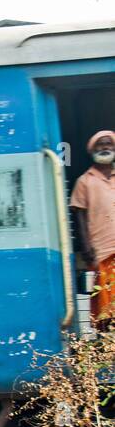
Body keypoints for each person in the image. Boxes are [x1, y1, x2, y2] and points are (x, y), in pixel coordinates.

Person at [72, 129, 115, 330]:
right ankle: (108, 349)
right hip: (101, 251)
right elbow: (78, 216)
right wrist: (86, 247)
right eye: (100, 144)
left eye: (108, 144)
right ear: (93, 150)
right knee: (105, 306)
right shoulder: (84, 181)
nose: (105, 147)